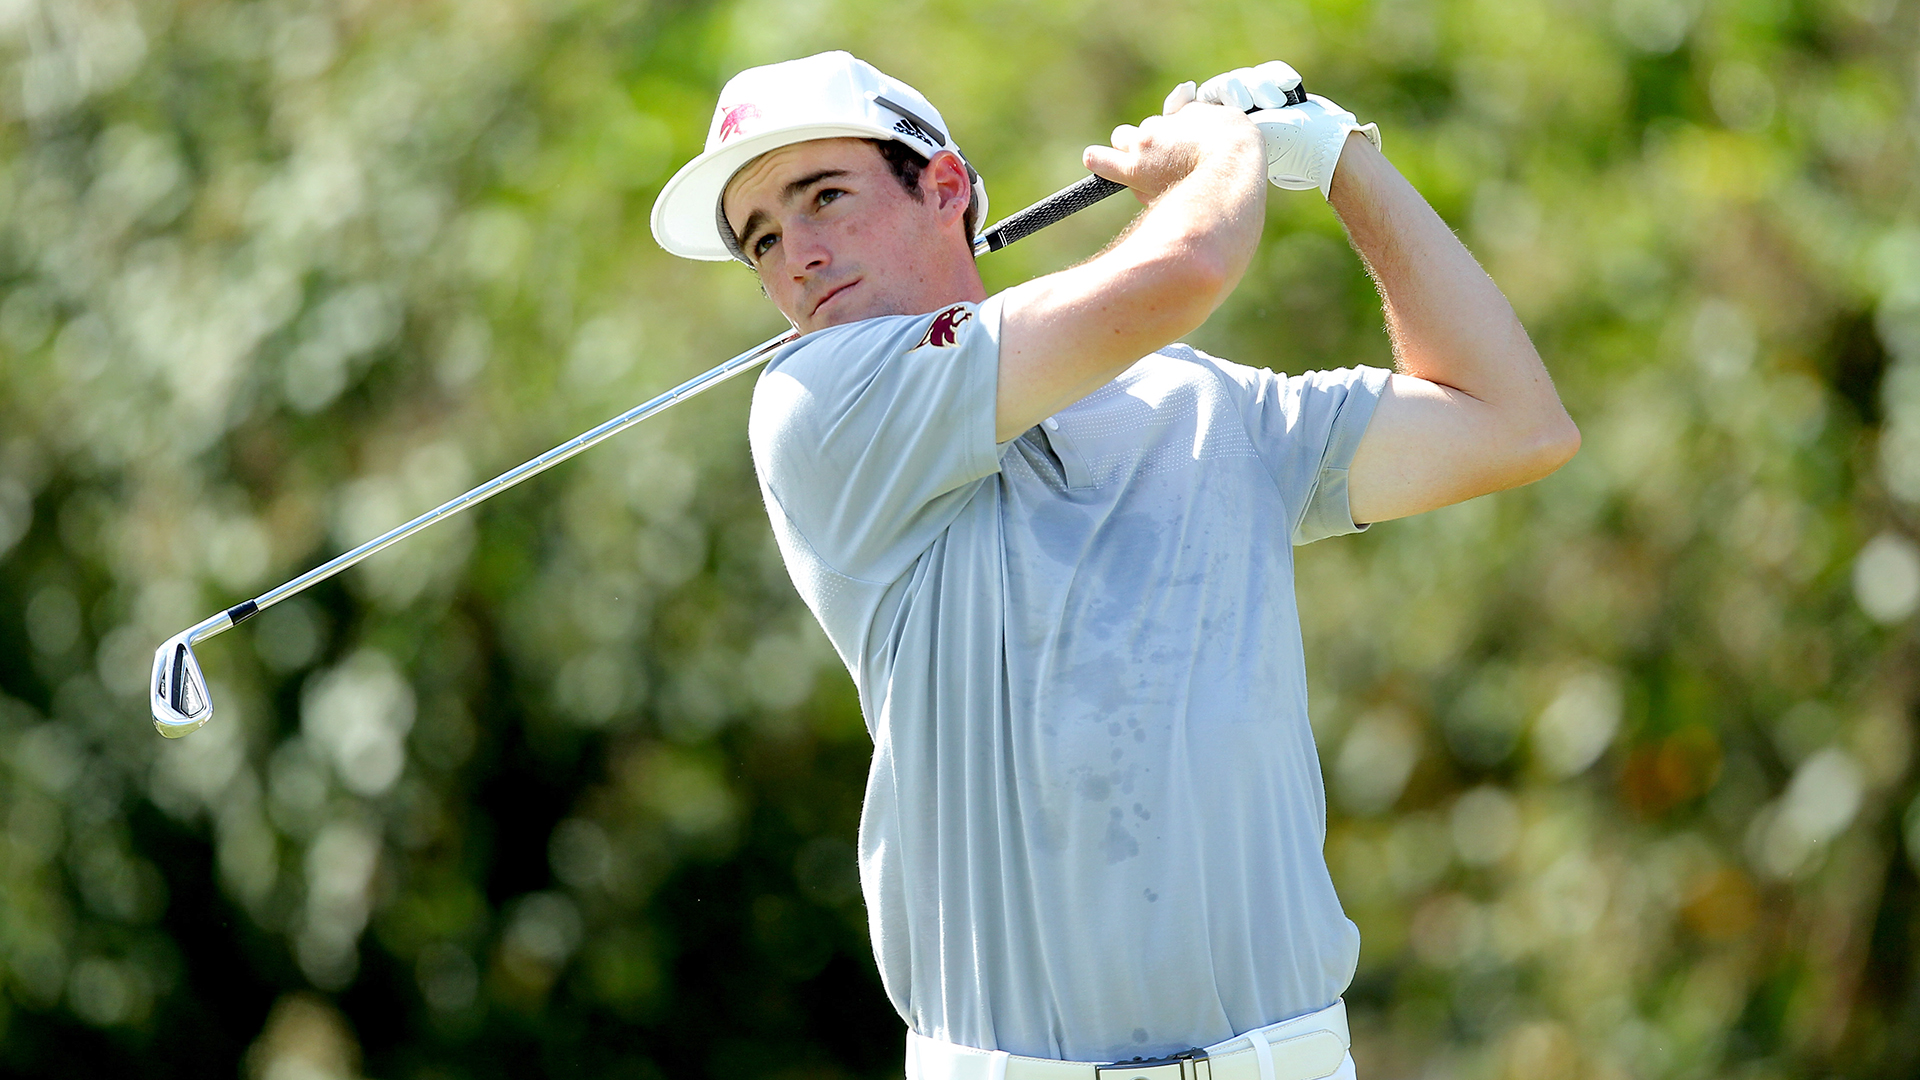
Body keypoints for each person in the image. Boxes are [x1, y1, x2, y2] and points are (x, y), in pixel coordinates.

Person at [650, 51, 1577, 1080]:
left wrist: (1343, 157)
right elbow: (1183, 270)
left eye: (825, 197)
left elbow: (1513, 424)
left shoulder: (1213, 408)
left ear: (946, 189)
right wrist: (1226, 154)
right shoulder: (816, 407)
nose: (799, 258)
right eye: (763, 239)